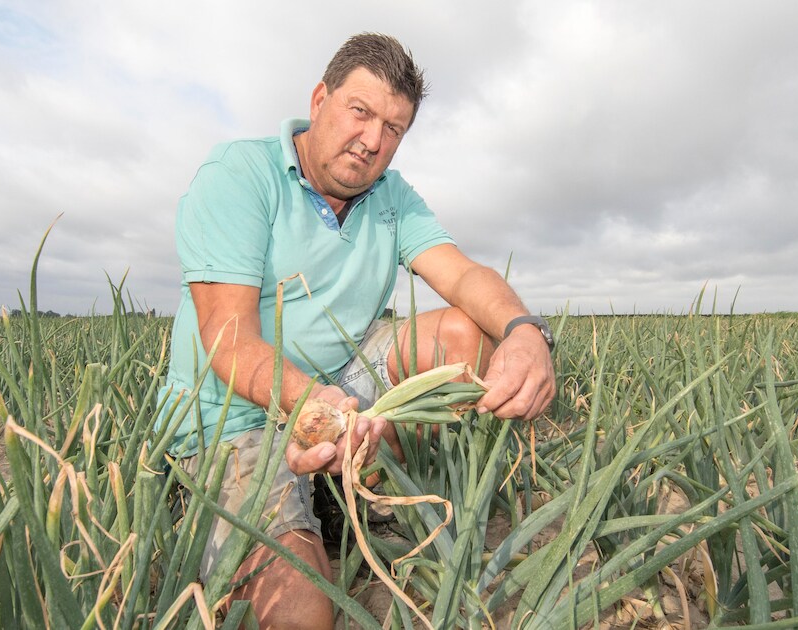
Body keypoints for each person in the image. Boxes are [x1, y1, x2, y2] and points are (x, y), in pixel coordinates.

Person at [155, 32, 556, 629]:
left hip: (338, 382)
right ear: (320, 100)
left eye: (393, 128)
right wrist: (320, 410)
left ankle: (348, 496)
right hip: (231, 417)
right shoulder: (240, 173)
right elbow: (226, 340)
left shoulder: (390, 197)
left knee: (469, 335)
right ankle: (208, 496)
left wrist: (526, 331)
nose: (372, 141)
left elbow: (465, 274)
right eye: (360, 111)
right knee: (302, 612)